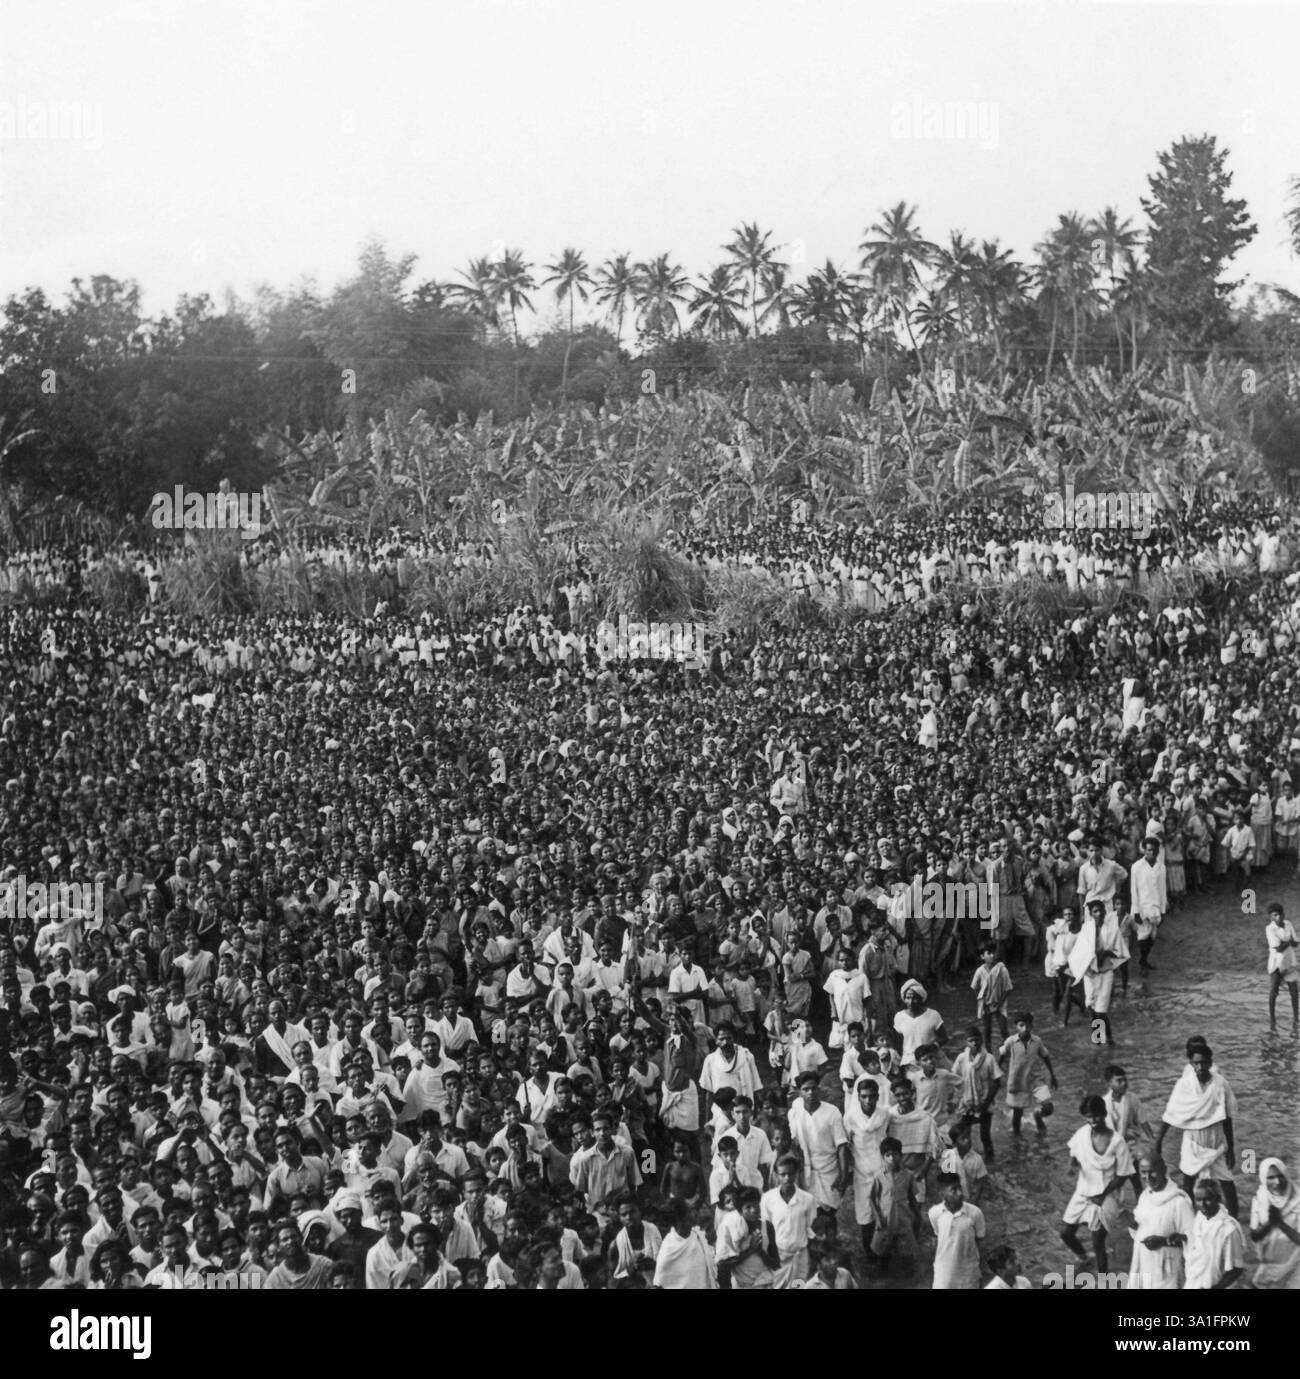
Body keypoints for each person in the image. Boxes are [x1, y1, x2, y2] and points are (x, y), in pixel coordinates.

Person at [1154, 1043, 1238, 1218]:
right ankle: (1191, 1225)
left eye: (1203, 1062)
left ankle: (1234, 1224)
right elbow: (1170, 1115)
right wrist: (1158, 1141)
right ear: (1191, 1064)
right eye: (1195, 1063)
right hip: (1193, 1143)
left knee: (1228, 1186)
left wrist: (1231, 1148)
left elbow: (1227, 1118)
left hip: (1217, 1143)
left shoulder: (1220, 1084)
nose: (1200, 1067)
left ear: (1209, 1063)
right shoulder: (1184, 1085)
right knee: (1188, 1186)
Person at [1060, 1094, 1135, 1274]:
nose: (1092, 1120)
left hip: (1107, 1195)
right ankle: (1084, 1258)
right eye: (1088, 1116)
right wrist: (1071, 1166)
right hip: (1083, 1190)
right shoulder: (1082, 1133)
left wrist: (1102, 1195)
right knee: (1065, 1233)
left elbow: (1123, 1174)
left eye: (1096, 1115)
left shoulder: (1117, 1141)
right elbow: (1074, 1154)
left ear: (1103, 1113)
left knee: (1098, 1242)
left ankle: (1103, 1282)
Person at [1127, 1153, 1194, 1289]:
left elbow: (1193, 1240)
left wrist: (1163, 1241)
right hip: (1145, 1263)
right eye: (1144, 1172)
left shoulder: (1179, 1202)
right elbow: (1144, 1224)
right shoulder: (1145, 1197)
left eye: (1152, 1172)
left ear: (1163, 1170)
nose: (1148, 1177)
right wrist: (1135, 1226)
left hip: (1167, 1268)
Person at [786, 1070, 850, 1211]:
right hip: (805, 1173)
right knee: (808, 1216)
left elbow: (842, 1146)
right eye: (806, 1089)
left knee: (828, 1215)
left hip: (828, 1171)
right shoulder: (795, 1112)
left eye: (813, 1088)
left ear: (819, 1089)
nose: (810, 1093)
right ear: (799, 1092)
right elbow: (794, 1141)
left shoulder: (832, 1112)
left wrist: (844, 1176)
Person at [759, 1155, 818, 1287]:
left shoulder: (807, 1199)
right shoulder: (768, 1199)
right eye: (783, 1174)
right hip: (778, 1256)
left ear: (796, 1173)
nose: (787, 1178)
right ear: (776, 1175)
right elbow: (765, 1230)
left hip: (799, 1256)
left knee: (799, 1286)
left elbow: (810, 1227)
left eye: (790, 1174)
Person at [998, 1012, 1057, 1136]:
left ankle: (1037, 1115)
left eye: (1028, 1025)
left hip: (1036, 1079)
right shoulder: (1011, 1042)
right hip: (1018, 1081)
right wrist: (996, 1075)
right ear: (1016, 1027)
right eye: (1021, 1025)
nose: (1025, 1028)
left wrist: (1052, 1075)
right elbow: (1002, 1055)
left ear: (1032, 1026)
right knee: (1017, 1114)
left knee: (1048, 1107)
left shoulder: (1037, 1041)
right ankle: (1017, 1138)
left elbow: (1045, 1056)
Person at [1247, 1157, 1300, 1289]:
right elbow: (1255, 1235)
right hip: (1269, 1264)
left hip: (1295, 1262)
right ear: (1263, 1178)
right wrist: (1270, 1223)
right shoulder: (1260, 1198)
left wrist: (1280, 1224)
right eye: (1271, 1177)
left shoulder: (1298, 1199)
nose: (1276, 1182)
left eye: (1280, 1176)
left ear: (1286, 1175)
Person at [928, 1172, 986, 1289]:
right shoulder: (935, 1213)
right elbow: (939, 1236)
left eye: (960, 1188)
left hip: (968, 1274)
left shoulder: (975, 1213)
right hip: (944, 1273)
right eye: (953, 1190)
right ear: (942, 1194)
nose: (960, 1193)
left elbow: (980, 1241)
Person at [1185, 1180, 1246, 1290]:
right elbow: (1197, 1248)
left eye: (1207, 1199)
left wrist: (1216, 1287)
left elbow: (1237, 1269)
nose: (1202, 1204)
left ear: (1218, 1198)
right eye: (1198, 1200)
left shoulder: (1228, 1229)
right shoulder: (1199, 1219)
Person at [652, 1197, 716, 1289]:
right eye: (690, 1211)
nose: (695, 1213)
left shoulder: (697, 1236)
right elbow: (659, 1284)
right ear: (680, 1219)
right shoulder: (668, 1251)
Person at [1265, 902, 1300, 1033]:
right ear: (1271, 917)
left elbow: (1295, 943)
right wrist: (1290, 942)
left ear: (1284, 914)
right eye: (1275, 915)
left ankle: (1296, 1017)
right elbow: (1278, 948)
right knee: (1273, 992)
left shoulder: (1289, 924)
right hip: (1276, 963)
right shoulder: (1270, 929)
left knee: (1294, 991)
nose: (1278, 916)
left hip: (1289, 961)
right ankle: (1272, 1019)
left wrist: (1293, 942)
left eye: (1280, 914)